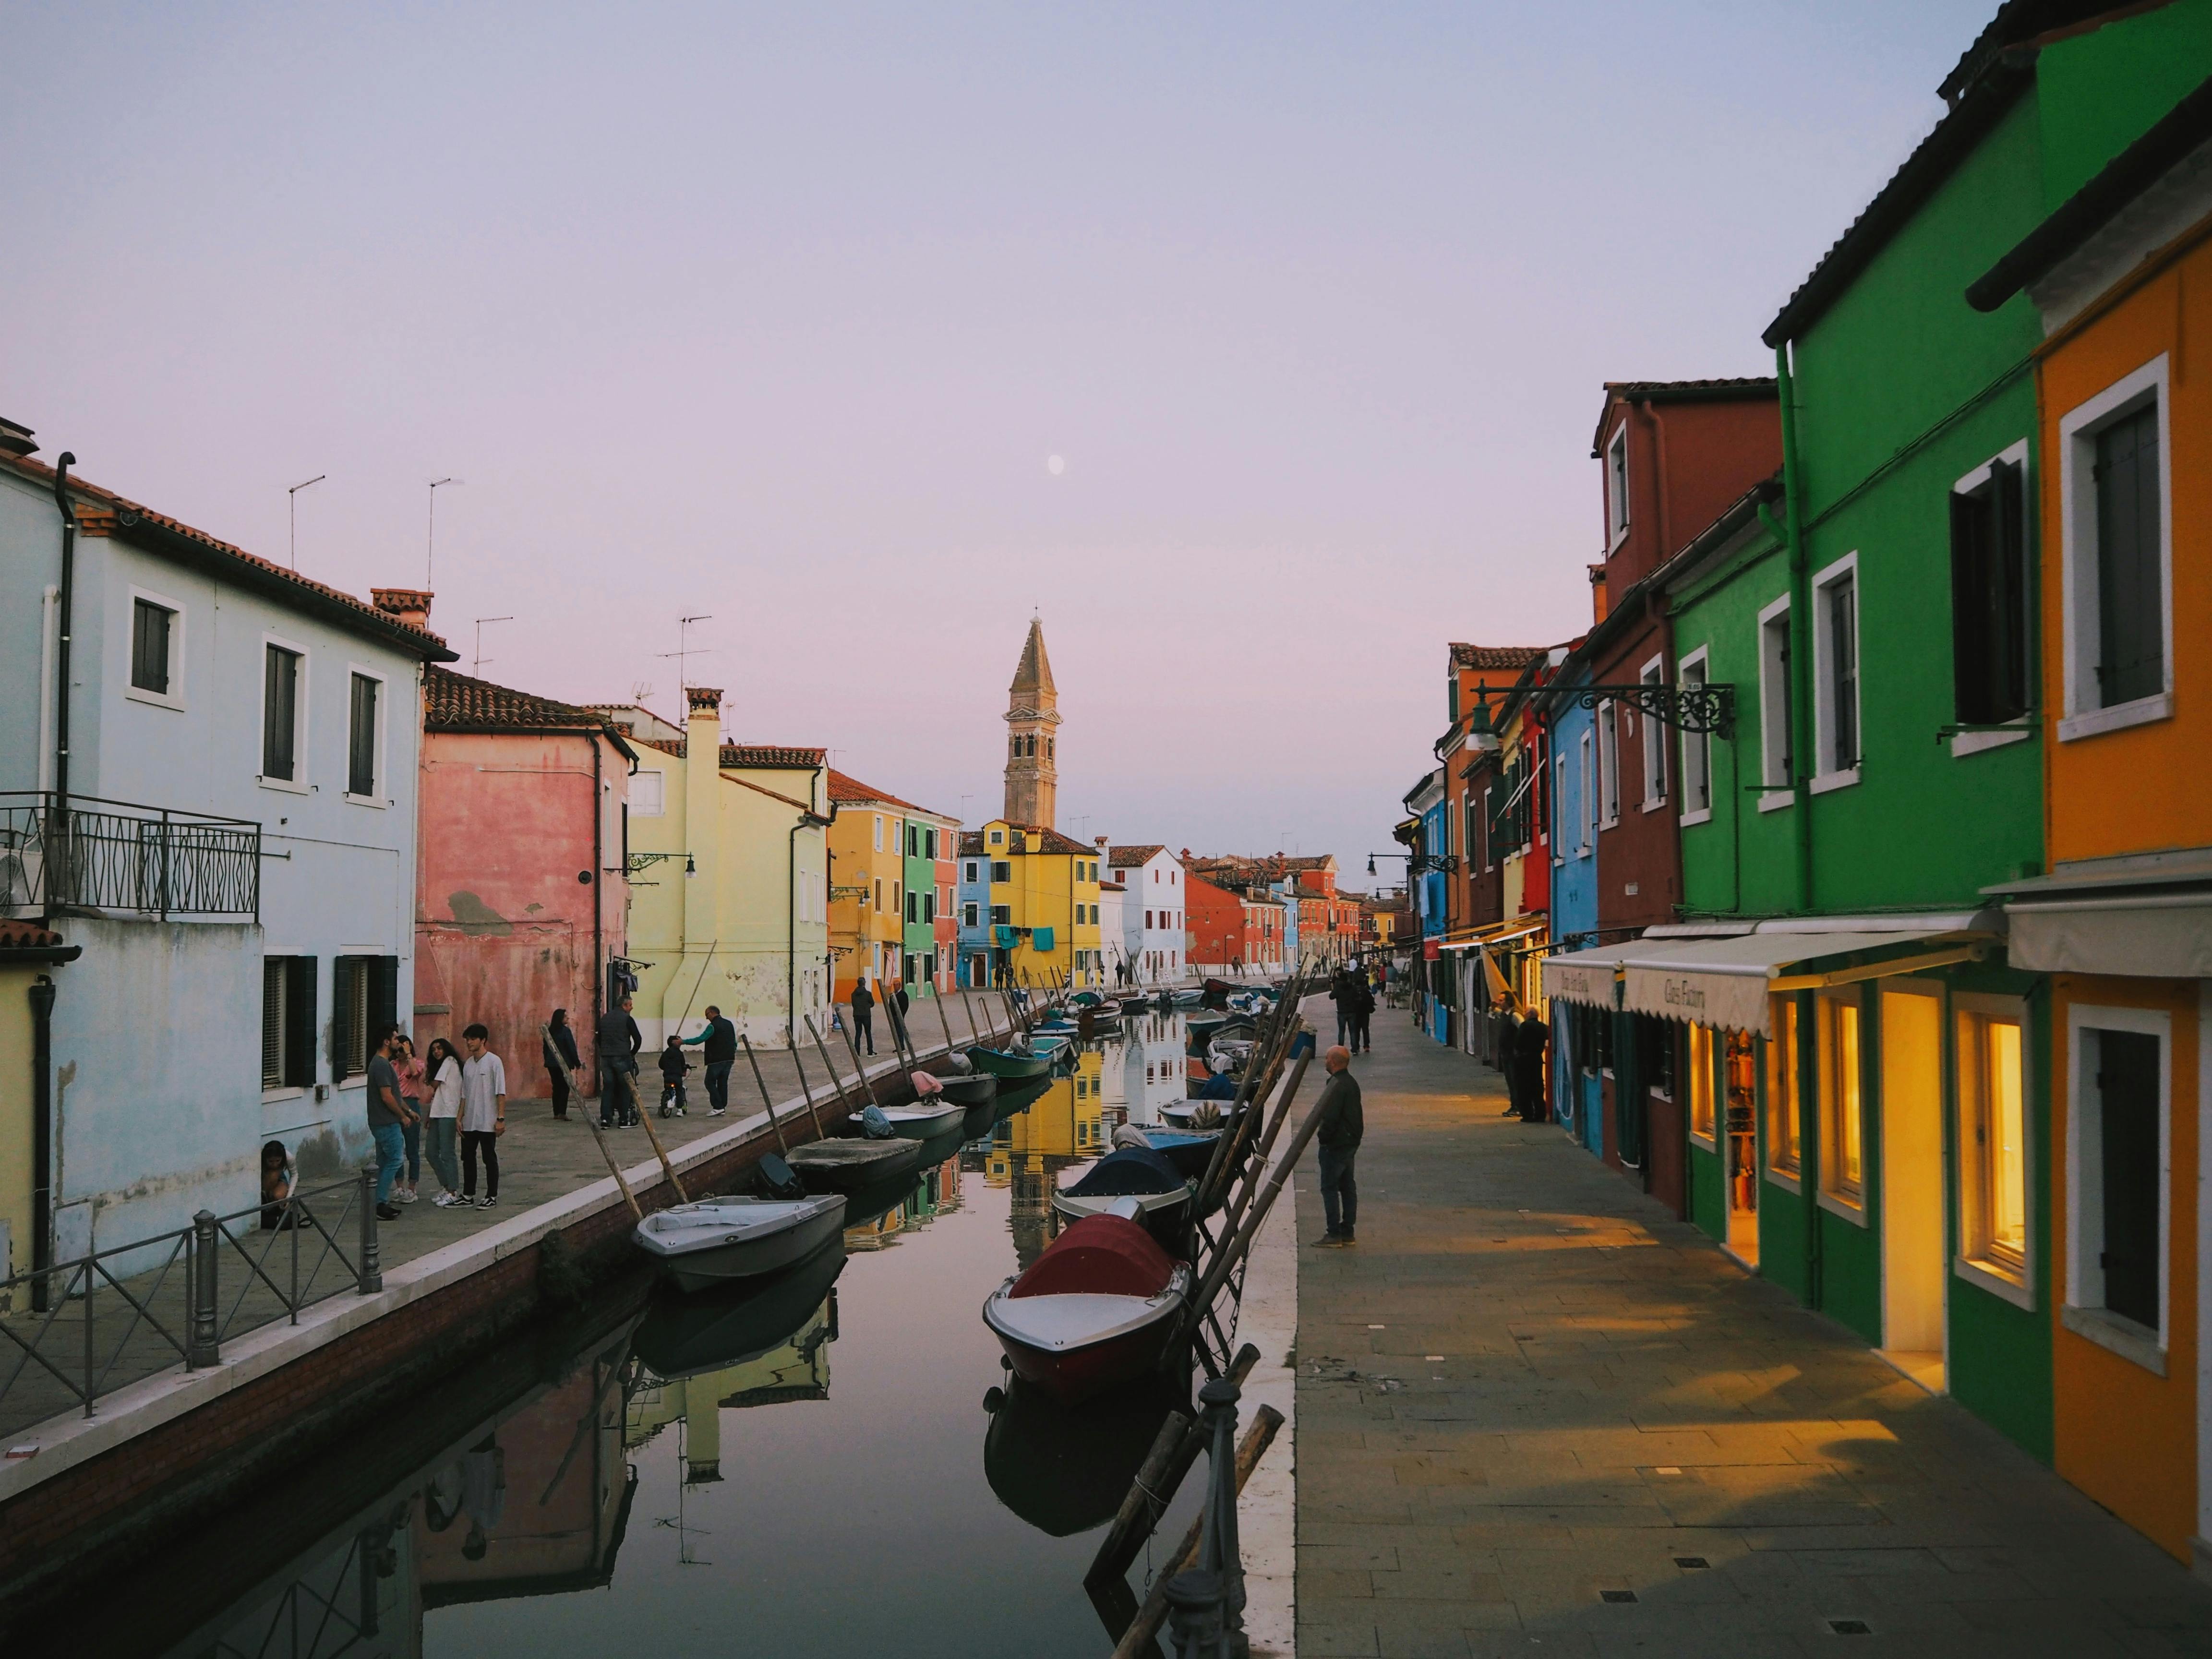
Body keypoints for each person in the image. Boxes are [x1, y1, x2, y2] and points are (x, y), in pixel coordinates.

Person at [1311, 1045, 1363, 1248]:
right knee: (1348, 1187)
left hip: (1336, 1144)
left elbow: (1330, 1117)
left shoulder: (1336, 1085)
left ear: (1333, 1062)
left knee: (1330, 1188)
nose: (1324, 1061)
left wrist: (1323, 1137)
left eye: (1326, 1059)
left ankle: (1334, 1233)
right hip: (1350, 1141)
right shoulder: (1351, 1083)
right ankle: (1348, 1231)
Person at [366, 1026, 416, 1221]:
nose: (399, 1041)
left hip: (382, 1121)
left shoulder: (382, 1064)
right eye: (395, 1038)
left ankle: (375, 1202)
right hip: (386, 1122)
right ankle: (379, 1202)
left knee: (383, 1162)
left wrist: (409, 1111)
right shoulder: (381, 1065)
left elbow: (395, 1094)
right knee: (395, 1159)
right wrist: (402, 1117)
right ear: (387, 1042)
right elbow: (387, 1097)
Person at [458, 1023, 507, 1209]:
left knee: (489, 1158)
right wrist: (459, 1117)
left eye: (473, 1039)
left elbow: (500, 1092)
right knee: (468, 1157)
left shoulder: (495, 1062)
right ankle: (468, 1194)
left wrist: (500, 1118)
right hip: (470, 1121)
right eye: (467, 1040)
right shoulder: (468, 1065)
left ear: (483, 1040)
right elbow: (465, 1093)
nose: (469, 1043)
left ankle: (491, 1195)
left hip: (488, 1121)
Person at [422, 1036, 466, 1205]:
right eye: (433, 1050)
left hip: (449, 1112)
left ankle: (453, 1191)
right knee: (431, 1152)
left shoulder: (450, 1061)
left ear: (446, 1049)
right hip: (438, 1112)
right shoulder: (443, 1065)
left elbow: (434, 1085)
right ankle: (446, 1185)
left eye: (439, 1048)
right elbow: (438, 1093)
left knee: (447, 1153)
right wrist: (430, 1115)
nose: (436, 1052)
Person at [391, 1035, 429, 1204]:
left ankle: (412, 1187)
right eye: (397, 1050)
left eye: (402, 1049)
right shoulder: (392, 1066)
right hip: (395, 1106)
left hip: (411, 1103)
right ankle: (399, 1185)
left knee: (412, 1148)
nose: (398, 1053)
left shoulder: (418, 1063)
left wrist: (408, 1055)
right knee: (396, 1147)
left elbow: (415, 1073)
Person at [681, 1004, 737, 1116]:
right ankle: (722, 1106)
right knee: (723, 1082)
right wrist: (732, 1054)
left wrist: (683, 1042)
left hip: (716, 1060)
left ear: (712, 1013)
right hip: (729, 1059)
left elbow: (701, 1039)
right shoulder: (729, 1024)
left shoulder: (712, 1027)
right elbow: (734, 1042)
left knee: (709, 1082)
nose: (707, 1018)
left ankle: (718, 1106)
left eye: (707, 1015)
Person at [598, 996, 642, 1129]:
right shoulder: (627, 1019)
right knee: (624, 1087)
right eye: (630, 1005)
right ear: (625, 1005)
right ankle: (623, 1119)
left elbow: (599, 1038)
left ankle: (606, 1119)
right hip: (622, 1057)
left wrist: (605, 1050)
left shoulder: (605, 1018)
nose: (632, 1007)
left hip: (606, 1058)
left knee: (608, 1087)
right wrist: (632, 1053)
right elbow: (638, 1039)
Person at [1514, 1010, 1551, 1124]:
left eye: (1526, 1013)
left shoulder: (1525, 1026)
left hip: (1524, 1059)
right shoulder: (1543, 1027)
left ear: (1530, 1014)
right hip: (1537, 1058)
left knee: (1524, 1087)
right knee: (1537, 1086)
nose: (1524, 1014)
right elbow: (1546, 1040)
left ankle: (1527, 1115)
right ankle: (1540, 1114)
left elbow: (1518, 1043)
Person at [544, 1009, 581, 1120]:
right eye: (565, 1017)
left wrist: (547, 1059)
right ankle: (562, 1112)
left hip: (551, 1063)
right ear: (560, 1019)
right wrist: (577, 1062)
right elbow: (571, 1048)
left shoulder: (550, 1031)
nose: (567, 1018)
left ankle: (556, 1112)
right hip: (563, 1063)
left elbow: (545, 1049)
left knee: (556, 1087)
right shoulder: (565, 1032)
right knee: (564, 1087)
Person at [259, 1139, 296, 1231]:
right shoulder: (259, 1157)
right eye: (271, 1161)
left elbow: (294, 1175)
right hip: (264, 1178)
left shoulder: (289, 1157)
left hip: (280, 1178)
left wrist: (288, 1197)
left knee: (278, 1195)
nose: (275, 1164)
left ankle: (274, 1209)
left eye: (278, 1161)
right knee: (272, 1175)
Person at [658, 1035, 689, 1117]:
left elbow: (661, 1064)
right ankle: (680, 1110)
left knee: (668, 1089)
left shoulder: (665, 1053)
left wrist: (666, 1068)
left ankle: (666, 1099)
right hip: (677, 1075)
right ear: (675, 1043)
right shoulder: (679, 1054)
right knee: (679, 1091)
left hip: (667, 1075)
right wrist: (684, 1069)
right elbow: (683, 1064)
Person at [1349, 973, 1376, 1055]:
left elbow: (1349, 1002)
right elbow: (1372, 1002)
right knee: (1365, 1030)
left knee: (1356, 1031)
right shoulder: (1366, 992)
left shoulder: (1352, 992)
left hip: (1355, 1014)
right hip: (1365, 1014)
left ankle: (1356, 1047)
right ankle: (1366, 1046)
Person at [850, 979, 876, 1056]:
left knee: (858, 1033)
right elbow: (872, 1003)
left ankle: (857, 1052)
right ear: (864, 984)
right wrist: (867, 1007)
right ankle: (870, 1051)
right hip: (866, 1015)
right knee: (868, 1033)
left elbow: (853, 1005)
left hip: (857, 1015)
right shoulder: (868, 994)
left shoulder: (853, 994)